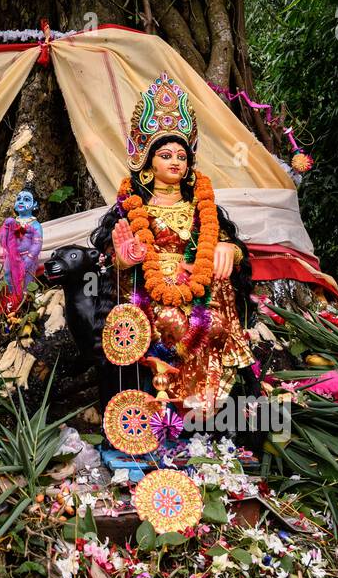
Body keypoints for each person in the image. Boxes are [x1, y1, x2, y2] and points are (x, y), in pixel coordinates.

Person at [91, 73, 256, 423]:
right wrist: (121, 260)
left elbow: (225, 240)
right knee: (172, 324)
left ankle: (208, 414)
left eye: (181, 155)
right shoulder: (134, 206)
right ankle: (172, 412)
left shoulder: (202, 205)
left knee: (214, 325)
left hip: (200, 288)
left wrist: (230, 250)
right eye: (165, 154)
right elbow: (112, 255)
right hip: (150, 293)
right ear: (148, 161)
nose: (175, 162)